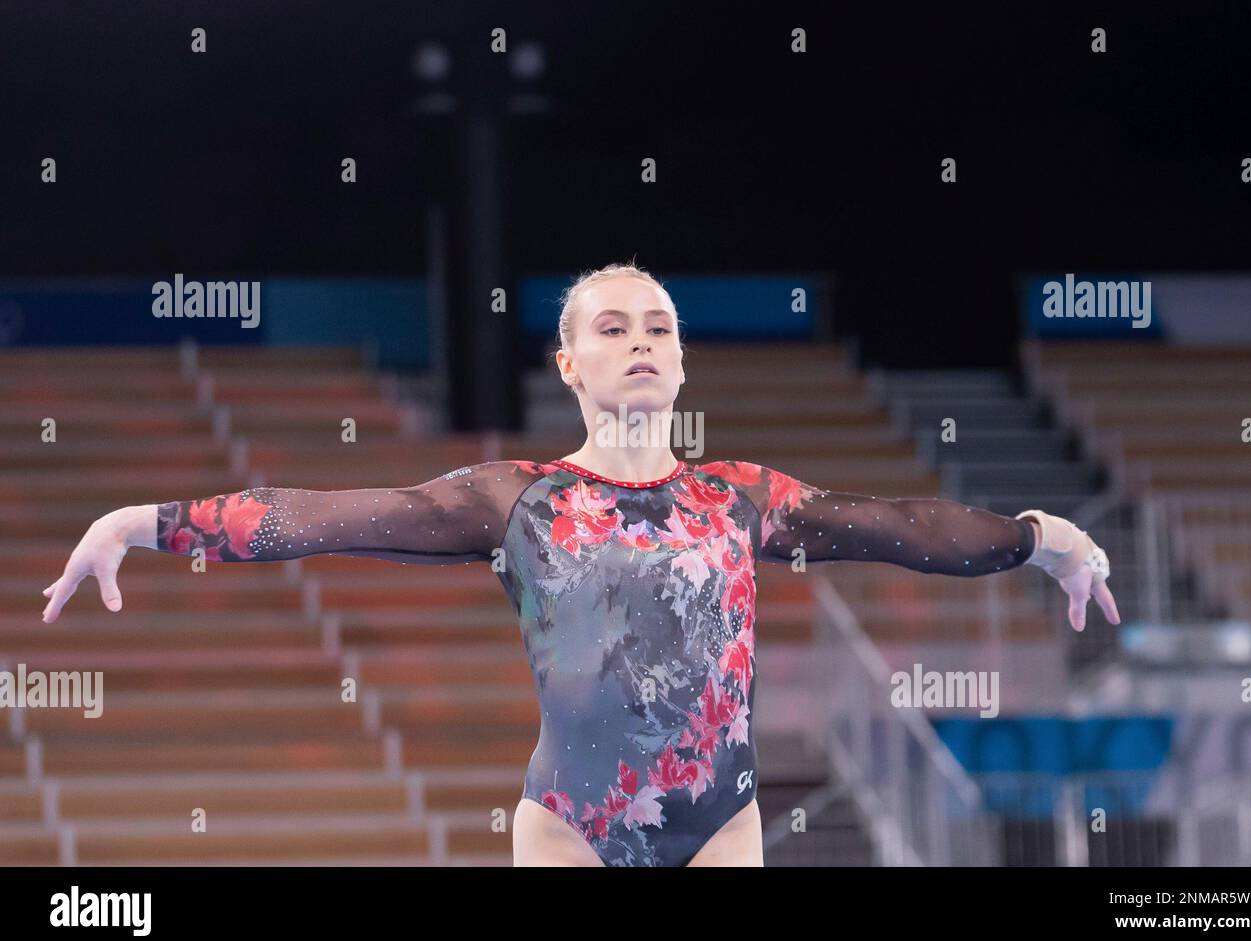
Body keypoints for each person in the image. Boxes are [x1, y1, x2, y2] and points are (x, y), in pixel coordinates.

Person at [39, 263, 1120, 866]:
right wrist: (146, 519)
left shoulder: (743, 498)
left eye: (659, 325)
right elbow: (318, 514)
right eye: (613, 326)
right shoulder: (514, 500)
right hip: (569, 825)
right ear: (569, 361)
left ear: (683, 358)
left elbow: (901, 526)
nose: (641, 338)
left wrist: (1045, 534)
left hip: (719, 824)